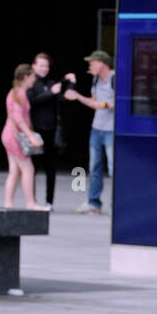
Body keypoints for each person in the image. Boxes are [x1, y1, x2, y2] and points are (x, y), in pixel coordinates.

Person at [64, 49, 114, 215]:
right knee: (95, 167)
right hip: (97, 128)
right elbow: (94, 101)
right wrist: (80, 97)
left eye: (92, 62)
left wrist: (79, 96)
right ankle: (94, 202)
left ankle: (117, 204)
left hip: (111, 130)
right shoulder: (95, 80)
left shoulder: (115, 79)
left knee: (114, 168)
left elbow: (113, 103)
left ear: (102, 64)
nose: (90, 65)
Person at [2, 64, 47, 210]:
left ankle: (9, 203)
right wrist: (31, 136)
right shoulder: (19, 94)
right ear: (26, 77)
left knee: (14, 170)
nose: (35, 79)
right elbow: (18, 118)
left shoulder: (16, 92)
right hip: (15, 136)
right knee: (28, 169)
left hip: (9, 134)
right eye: (33, 76)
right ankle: (30, 203)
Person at [26, 52, 63, 207]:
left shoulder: (52, 82)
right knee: (32, 167)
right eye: (41, 65)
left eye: (46, 66)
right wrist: (50, 93)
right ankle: (32, 200)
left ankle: (49, 201)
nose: (43, 68)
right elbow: (32, 101)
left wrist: (70, 83)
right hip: (34, 130)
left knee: (50, 167)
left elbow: (63, 99)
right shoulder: (31, 83)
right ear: (34, 66)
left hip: (50, 129)